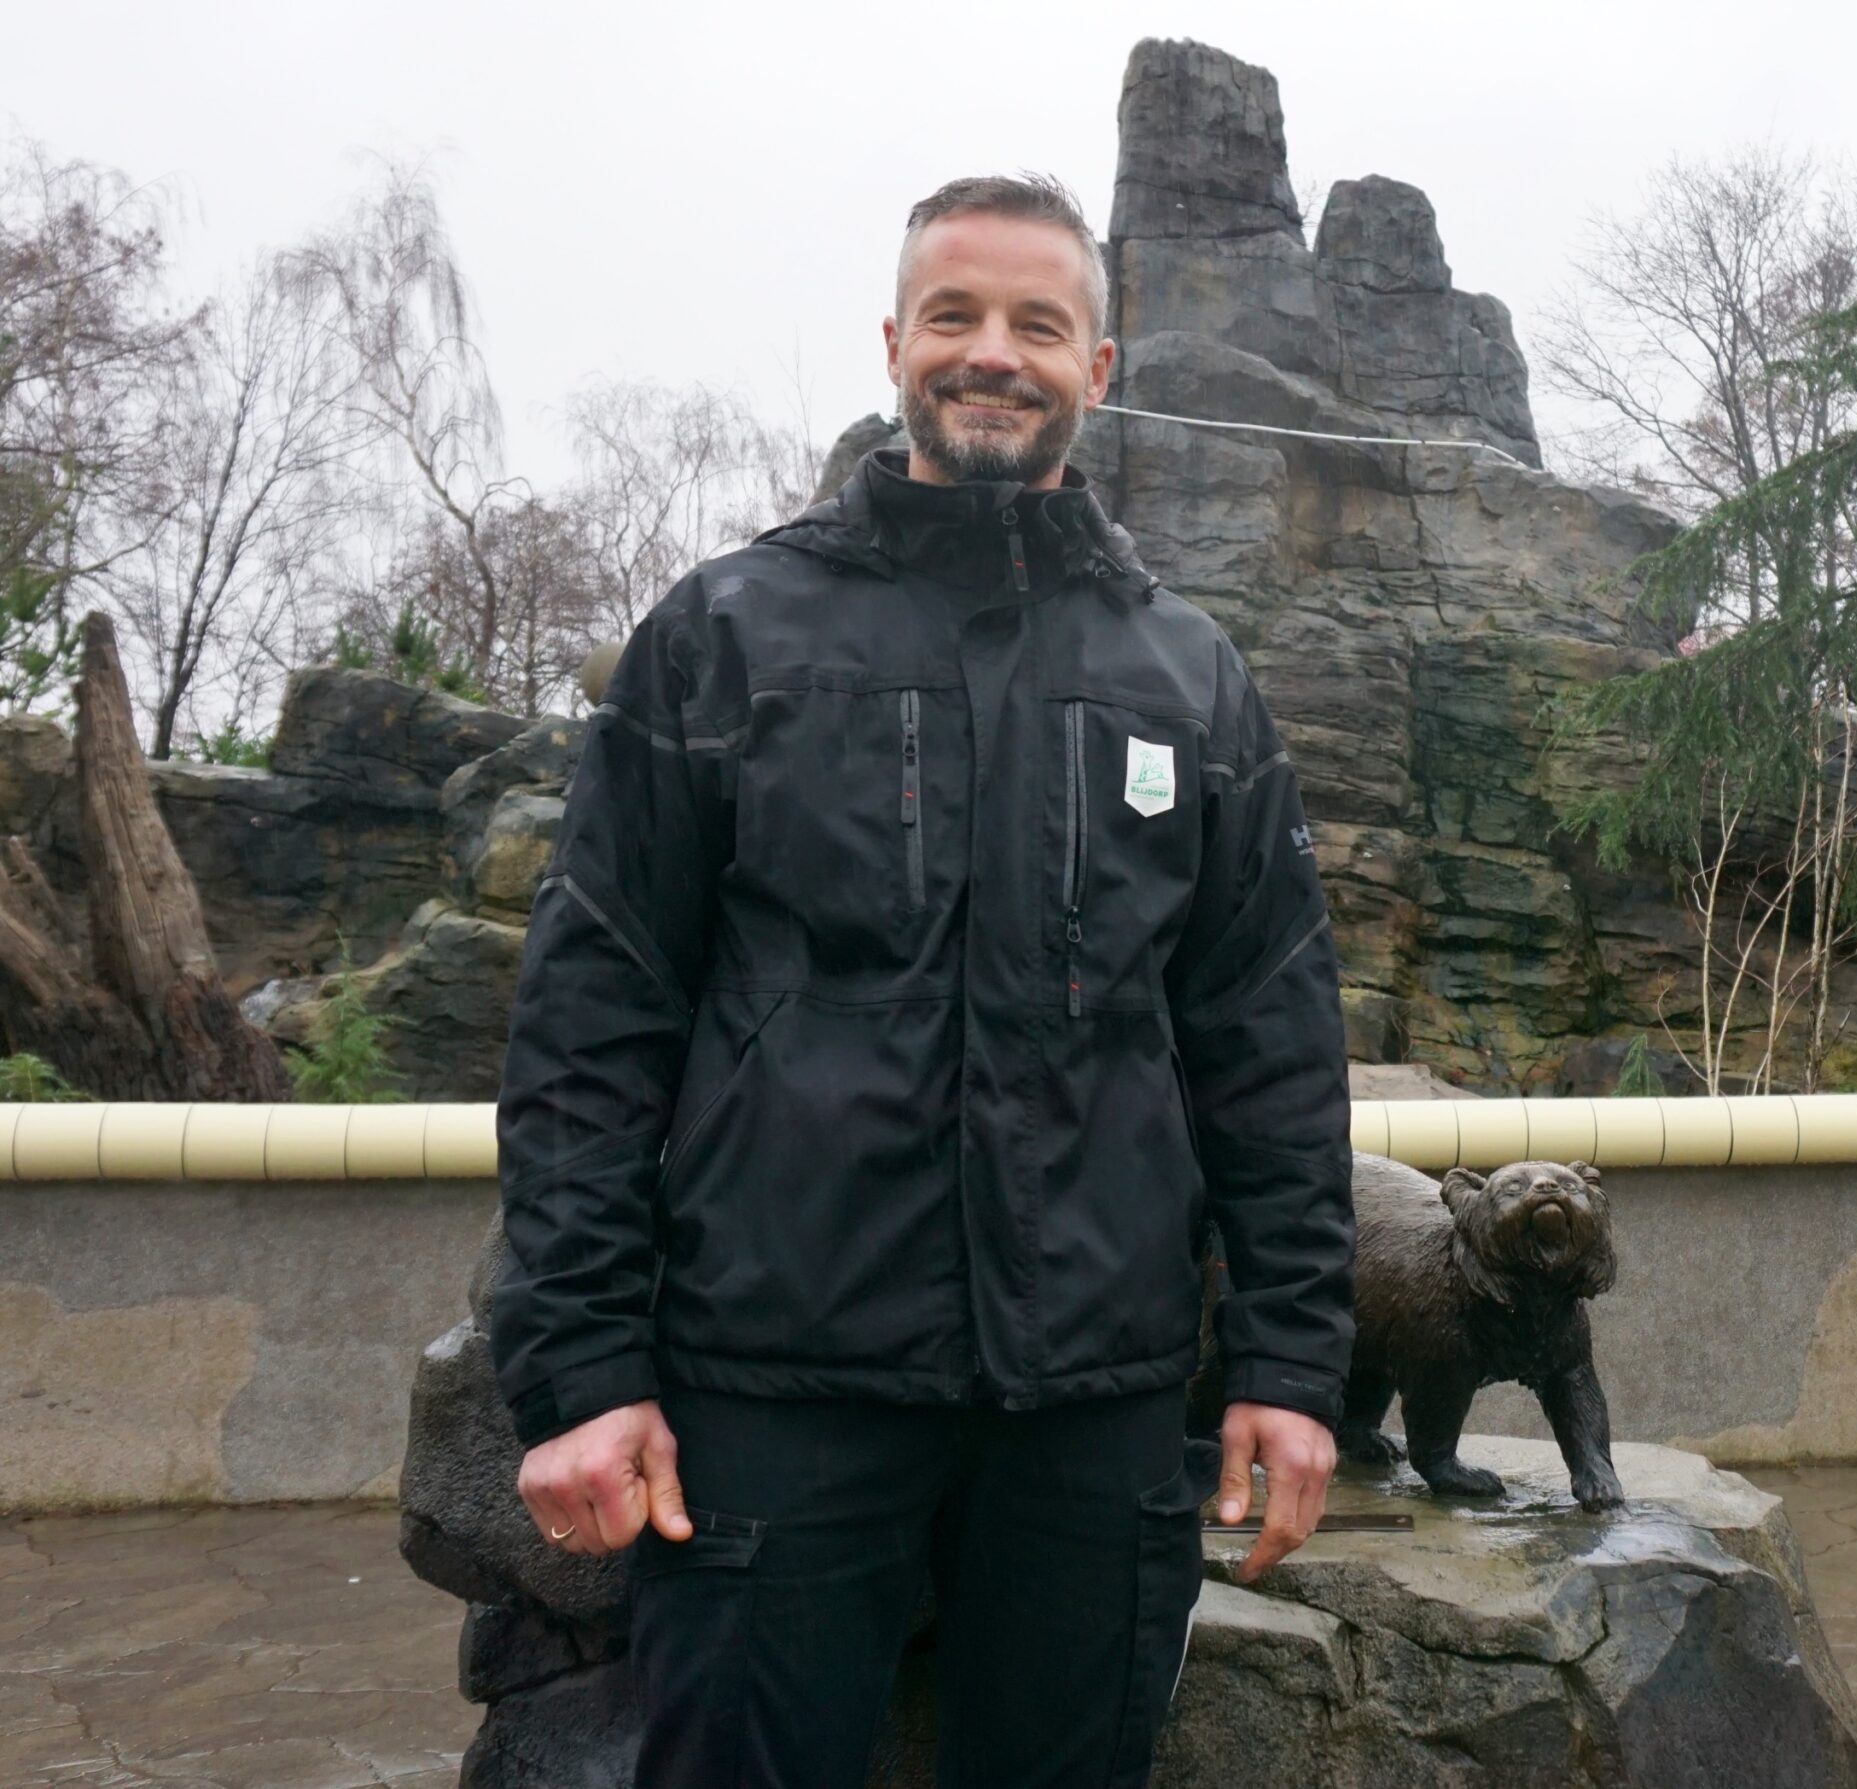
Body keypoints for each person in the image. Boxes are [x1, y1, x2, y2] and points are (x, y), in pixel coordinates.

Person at [488, 172, 1355, 1786]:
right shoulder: (725, 636)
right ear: (895, 342)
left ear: (1102, 366)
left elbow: (1271, 1044)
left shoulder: (1189, 676)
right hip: (773, 1404)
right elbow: (591, 1025)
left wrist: (1295, 1367)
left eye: (1040, 322)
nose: (993, 353)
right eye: (954, 315)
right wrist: (584, 1373)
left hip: (1090, 1417)